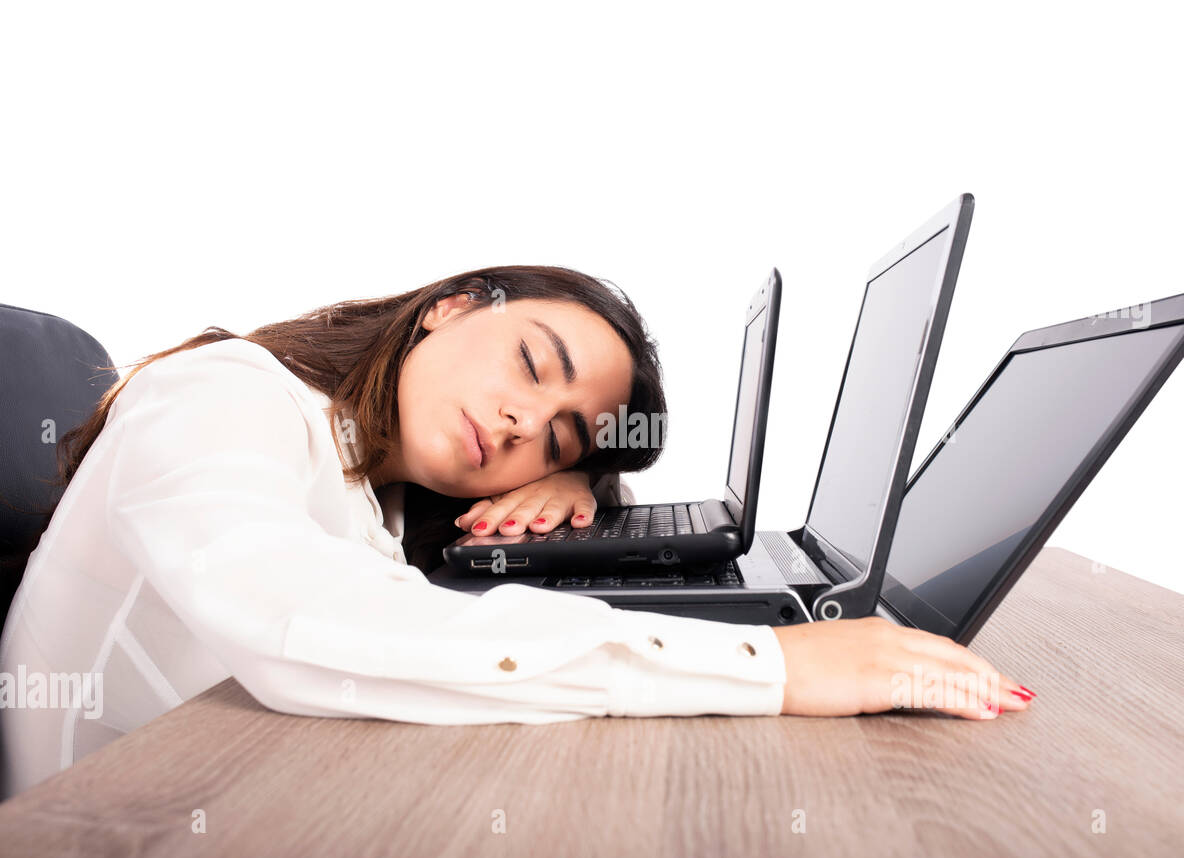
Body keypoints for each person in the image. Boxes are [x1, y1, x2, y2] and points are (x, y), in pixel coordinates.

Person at [0, 264, 1034, 800]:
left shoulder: (381, 499)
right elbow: (294, 617)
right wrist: (772, 667)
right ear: (449, 308)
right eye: (530, 366)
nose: (516, 425)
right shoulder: (219, 395)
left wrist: (584, 488)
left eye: (558, 433)